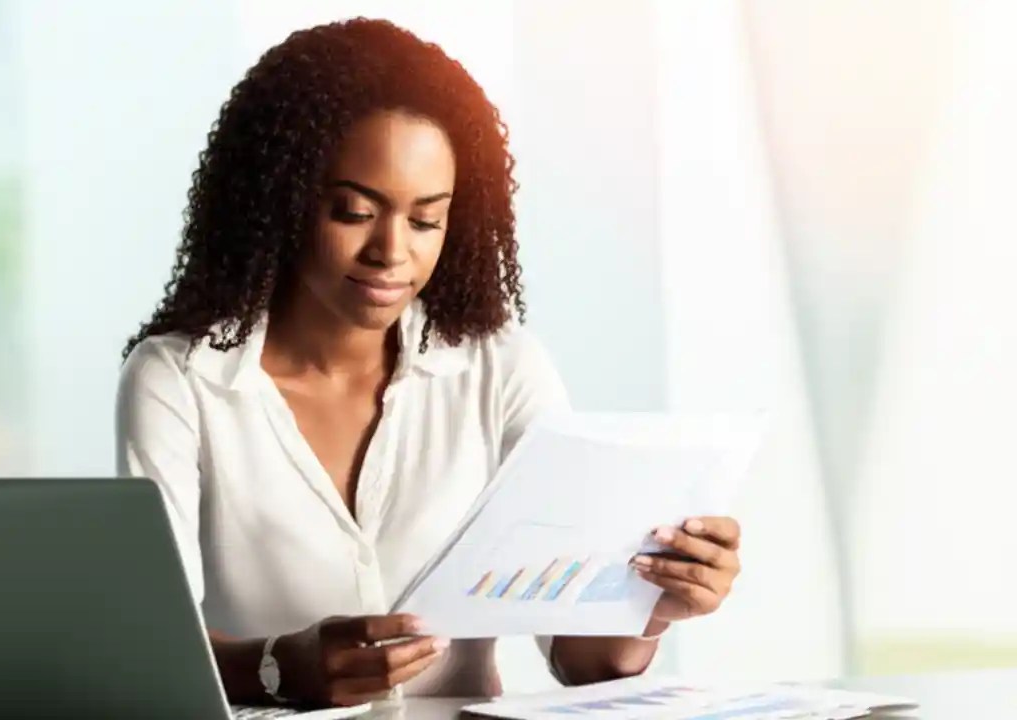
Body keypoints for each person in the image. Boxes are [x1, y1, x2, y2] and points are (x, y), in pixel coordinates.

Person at [117, 17, 742, 709]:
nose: (392, 252)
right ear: (280, 200)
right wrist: (277, 667)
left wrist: (655, 604)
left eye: (425, 220)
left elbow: (582, 660)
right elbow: (147, 647)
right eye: (353, 212)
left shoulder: (501, 371)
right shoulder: (179, 379)